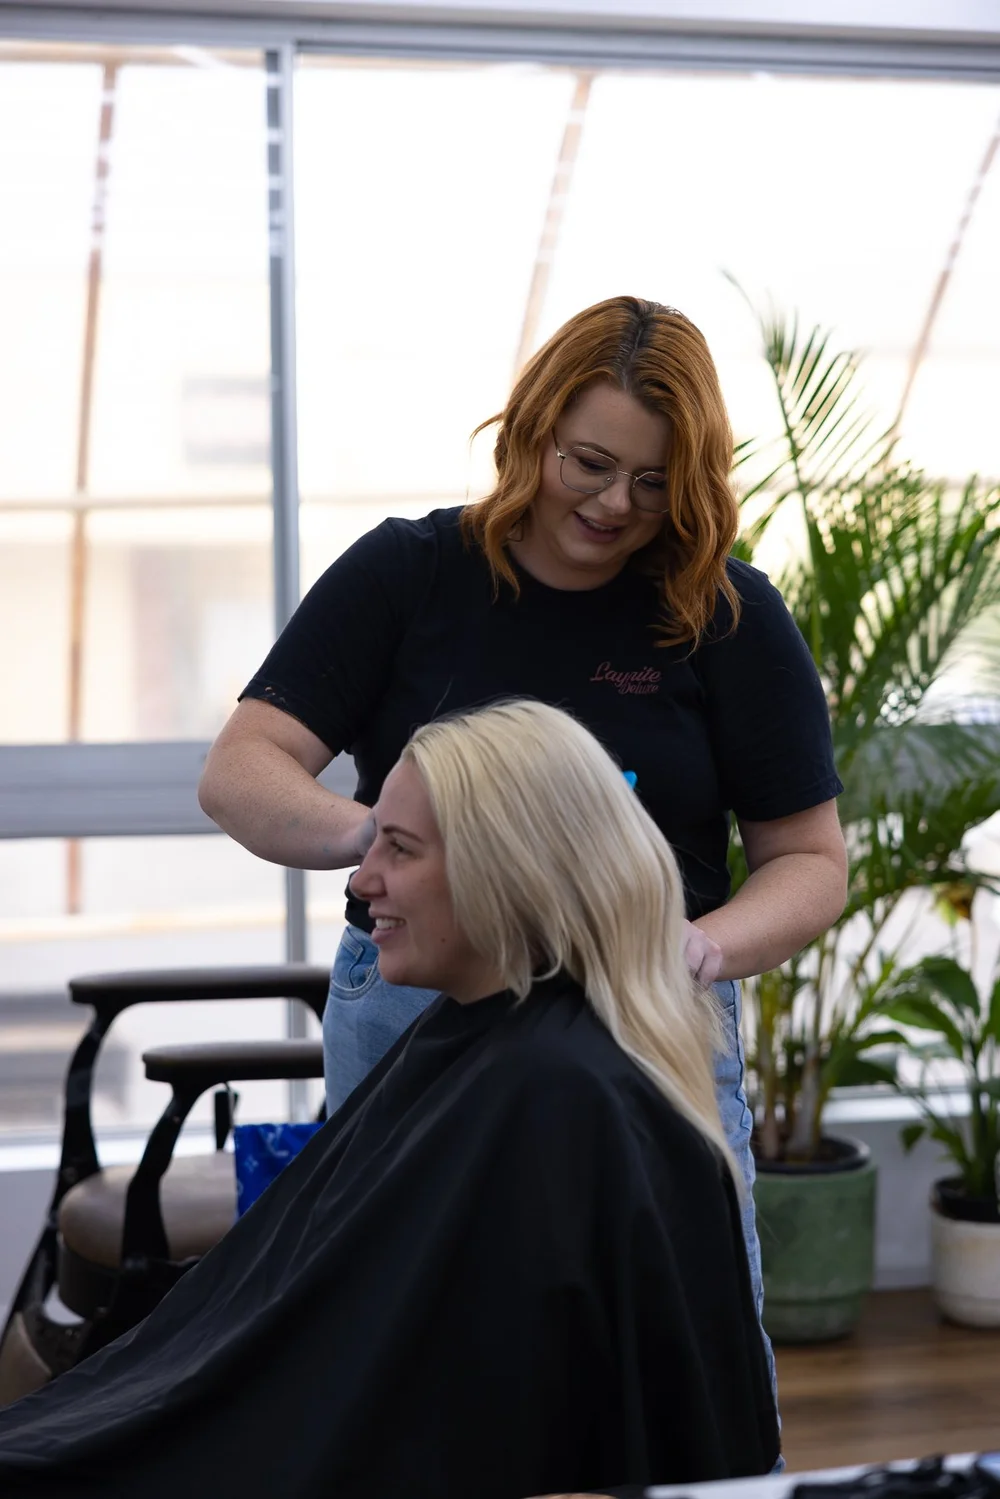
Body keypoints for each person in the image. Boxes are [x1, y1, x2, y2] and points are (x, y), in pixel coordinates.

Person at [198, 295, 848, 1377]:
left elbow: (810, 862)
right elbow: (241, 773)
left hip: (649, 1007)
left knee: (685, 1340)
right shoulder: (411, 574)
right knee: (402, 1344)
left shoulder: (723, 614)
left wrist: (696, 949)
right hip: (413, 1003)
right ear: (533, 430)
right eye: (590, 462)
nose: (615, 502)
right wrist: (408, 844)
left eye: (654, 482)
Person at [0, 702, 780, 1499]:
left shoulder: (561, 1098)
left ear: (507, 867)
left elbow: (467, 1418)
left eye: (399, 849)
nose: (363, 879)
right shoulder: (495, 1039)